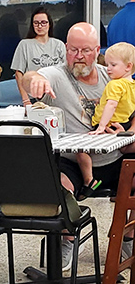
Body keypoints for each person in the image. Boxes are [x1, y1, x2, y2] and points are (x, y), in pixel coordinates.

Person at [22, 22, 131, 267]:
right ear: (66, 49)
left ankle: (128, 236)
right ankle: (68, 237)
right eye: (73, 50)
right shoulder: (58, 74)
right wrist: (35, 81)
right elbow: (32, 76)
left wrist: (127, 128)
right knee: (57, 181)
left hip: (113, 158)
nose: (78, 57)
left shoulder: (110, 75)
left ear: (97, 50)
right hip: (73, 160)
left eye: (85, 51)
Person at [74, 42, 135, 198]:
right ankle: (125, 190)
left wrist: (101, 126)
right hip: (123, 125)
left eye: (113, 65)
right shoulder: (132, 85)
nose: (108, 68)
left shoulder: (115, 84)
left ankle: (89, 180)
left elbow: (111, 105)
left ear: (128, 66)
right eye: (107, 64)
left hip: (107, 124)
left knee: (80, 149)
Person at [11, 5, 66, 107]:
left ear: (49, 24)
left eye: (43, 22)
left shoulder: (59, 44)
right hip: (34, 98)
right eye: (36, 23)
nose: (40, 26)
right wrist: (26, 100)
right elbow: (19, 74)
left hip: (57, 96)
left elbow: (67, 72)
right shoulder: (24, 44)